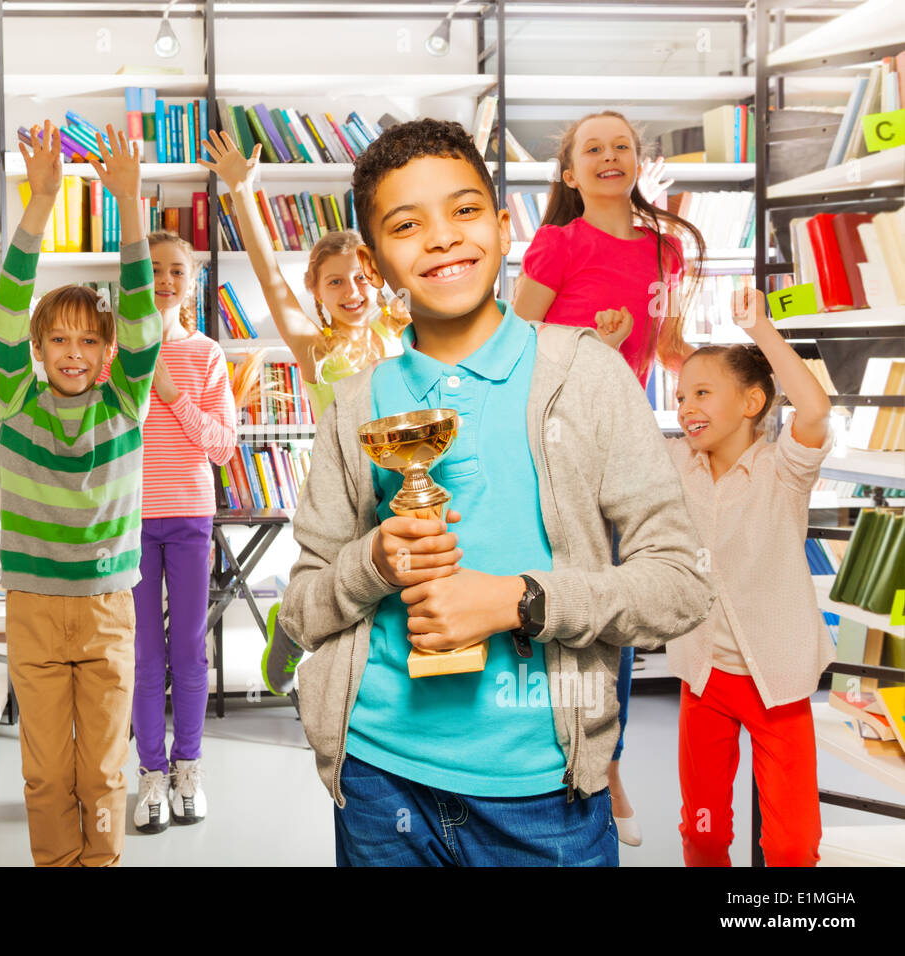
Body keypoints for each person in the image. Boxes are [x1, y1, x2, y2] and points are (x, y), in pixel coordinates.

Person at [278, 117, 715, 867]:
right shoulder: (355, 408)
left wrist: (520, 601)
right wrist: (374, 563)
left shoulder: (587, 376)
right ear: (377, 265)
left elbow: (679, 586)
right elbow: (301, 609)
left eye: (465, 210)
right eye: (406, 225)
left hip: (545, 794)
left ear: (505, 227)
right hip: (382, 785)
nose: (442, 238)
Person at [511, 110, 707, 845]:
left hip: (627, 445)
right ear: (569, 174)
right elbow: (516, 342)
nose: (609, 155)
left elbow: (676, 344)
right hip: (557, 442)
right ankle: (560, 751)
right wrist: (592, 346)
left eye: (621, 145)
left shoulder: (666, 251)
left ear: (639, 162)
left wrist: (738, 376)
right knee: (563, 596)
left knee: (618, 611)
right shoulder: (558, 242)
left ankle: (609, 756)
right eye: (591, 148)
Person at [0, 120, 159, 866]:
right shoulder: (16, 401)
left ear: (109, 352)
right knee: (46, 774)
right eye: (59, 339)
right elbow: (1, 315)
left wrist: (129, 214)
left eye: (90, 340)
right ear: (37, 348)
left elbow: (145, 323)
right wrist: (41, 204)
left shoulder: (124, 404)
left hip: (106, 611)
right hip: (31, 607)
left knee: (103, 773)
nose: (74, 353)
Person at [198, 128, 409, 696]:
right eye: (336, 281)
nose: (353, 290)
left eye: (364, 278)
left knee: (390, 590)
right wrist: (243, 192)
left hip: (402, 480)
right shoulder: (315, 349)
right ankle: (289, 627)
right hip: (339, 485)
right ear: (315, 289)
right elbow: (268, 275)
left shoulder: (402, 329)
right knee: (335, 583)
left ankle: (375, 686)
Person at [668, 286, 833, 867]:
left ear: (753, 401)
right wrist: (614, 352)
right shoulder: (675, 463)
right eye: (681, 394)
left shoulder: (783, 471)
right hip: (703, 678)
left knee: (790, 845)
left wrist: (762, 328)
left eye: (703, 393)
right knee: (704, 831)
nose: (686, 405)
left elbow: (813, 410)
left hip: (777, 681)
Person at [131, 229, 238, 834]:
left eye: (176, 270)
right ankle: (150, 775)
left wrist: (171, 393)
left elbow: (222, 448)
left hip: (191, 517)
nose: (164, 280)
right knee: (146, 654)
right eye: (152, 270)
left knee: (189, 651)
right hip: (132, 521)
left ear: (192, 282)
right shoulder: (119, 353)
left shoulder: (206, 355)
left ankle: (187, 767)